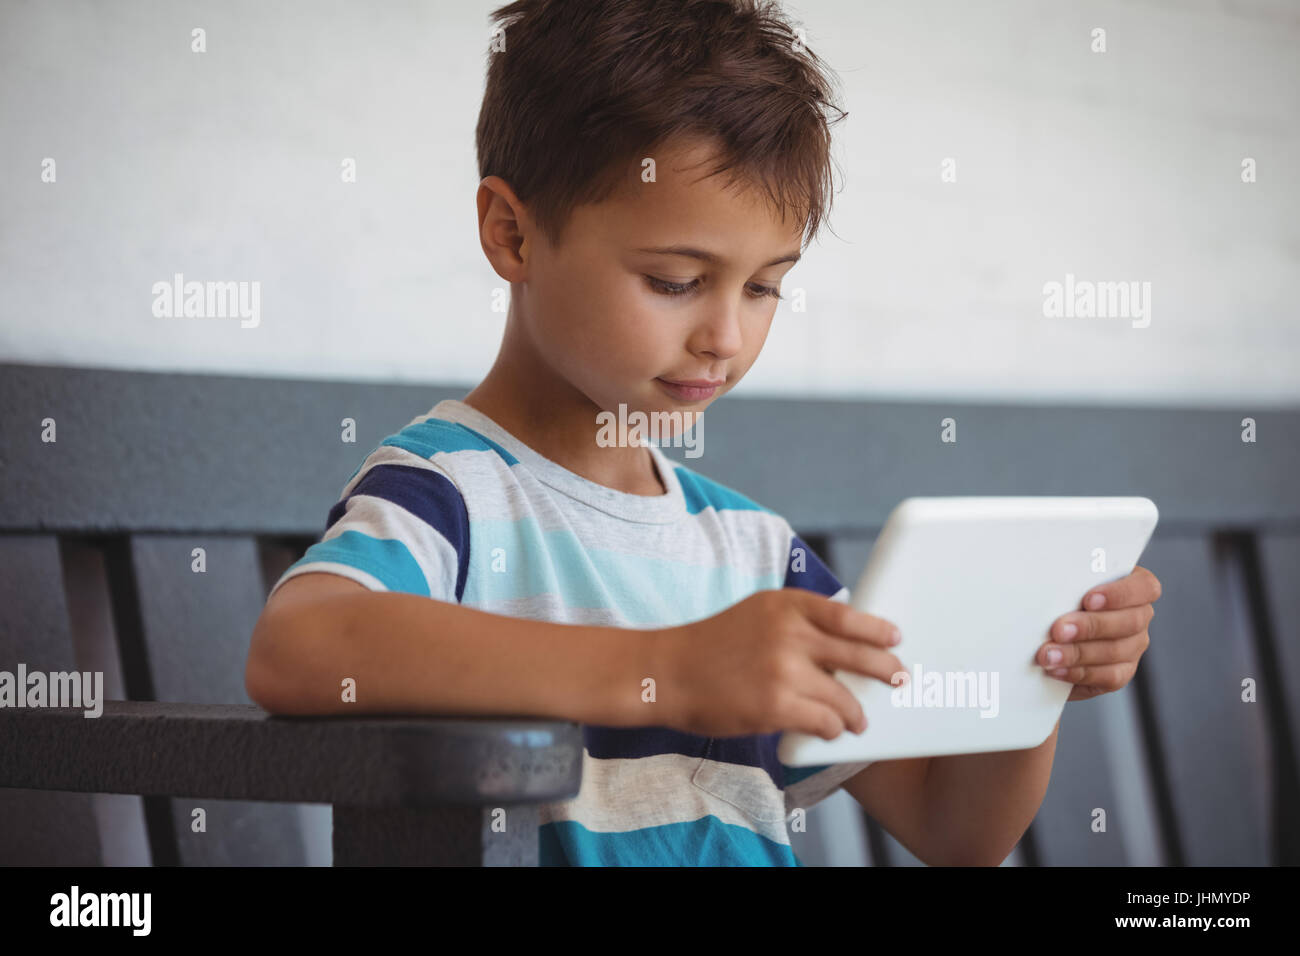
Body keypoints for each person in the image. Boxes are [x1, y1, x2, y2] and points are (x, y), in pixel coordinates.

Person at [245, 0, 1161, 866]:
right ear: (512, 235)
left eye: (763, 287)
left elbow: (953, 832)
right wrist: (667, 671)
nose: (727, 336)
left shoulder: (755, 553)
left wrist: (1038, 681)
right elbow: (301, 648)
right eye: (677, 280)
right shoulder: (449, 491)